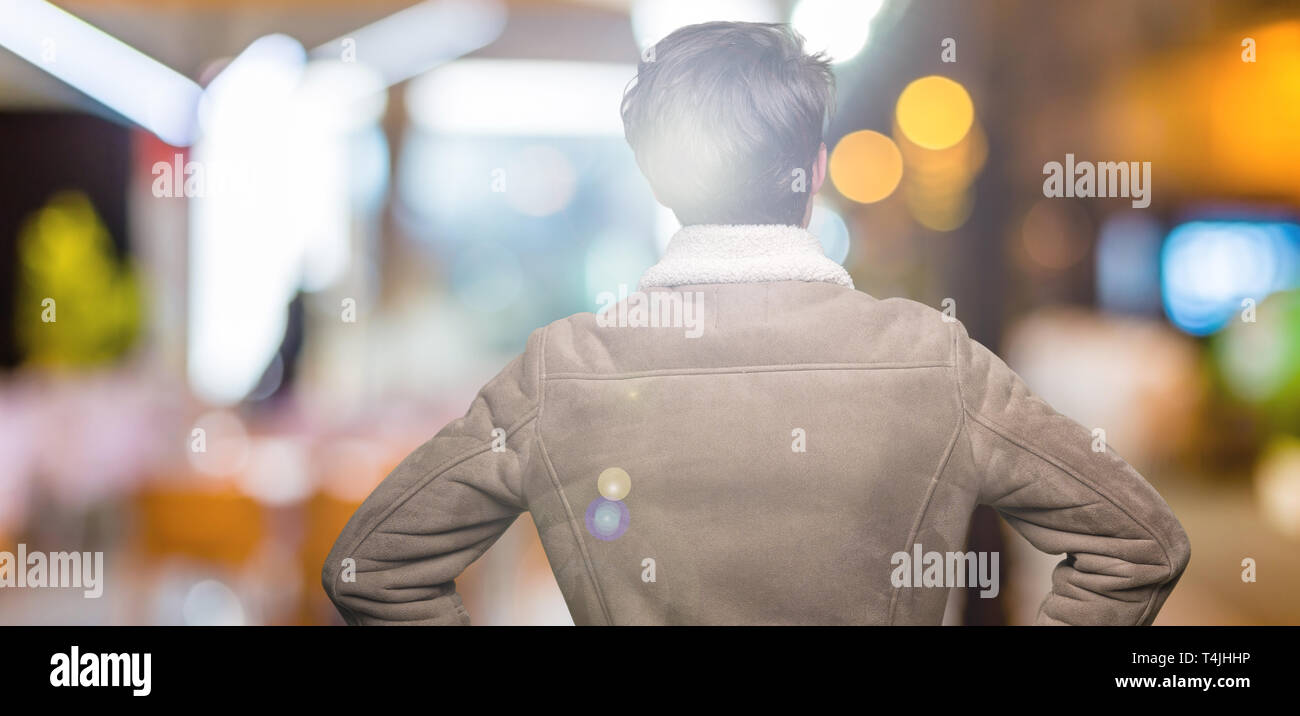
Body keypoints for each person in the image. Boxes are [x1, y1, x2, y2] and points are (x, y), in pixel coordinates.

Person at [322, 21, 1190, 625]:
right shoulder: (936, 361)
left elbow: (371, 565)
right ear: (814, 173)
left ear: (658, 179)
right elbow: (1139, 542)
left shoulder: (559, 372)